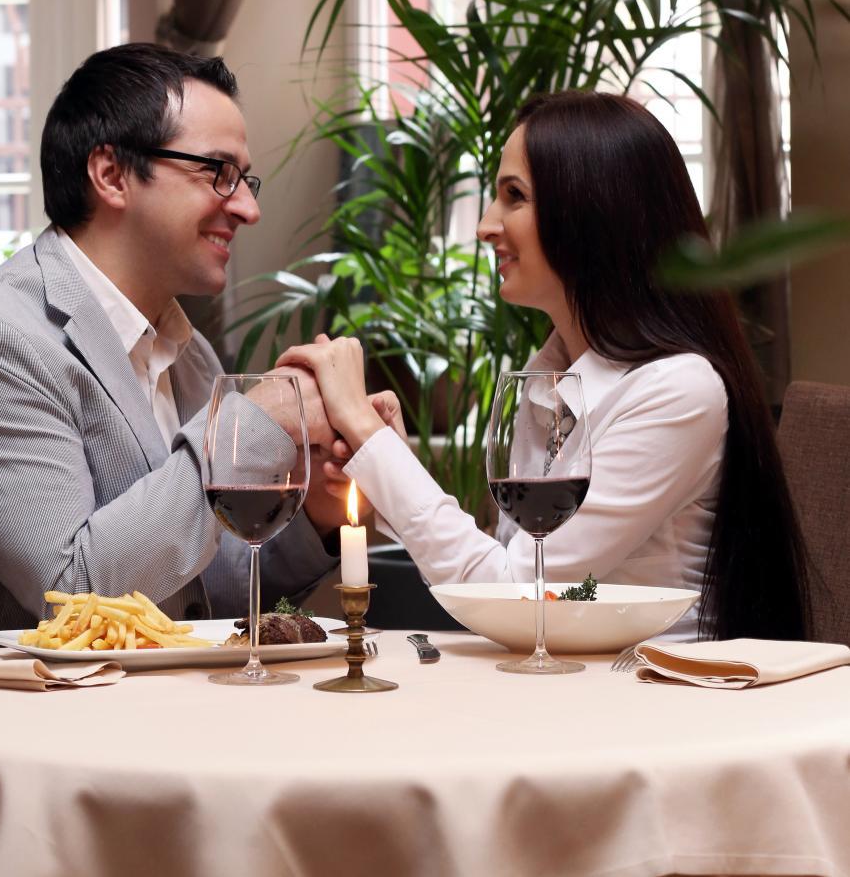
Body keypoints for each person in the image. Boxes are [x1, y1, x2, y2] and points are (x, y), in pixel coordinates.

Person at [279, 91, 810, 642]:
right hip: (566, 680)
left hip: (652, 698)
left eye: (514, 196)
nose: (486, 226)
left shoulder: (678, 389)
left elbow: (517, 594)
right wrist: (382, 459)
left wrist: (368, 437)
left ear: (591, 211)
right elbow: (512, 562)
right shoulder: (548, 379)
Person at [0, 44, 343, 655]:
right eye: (218, 173)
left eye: (245, 179)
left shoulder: (188, 351)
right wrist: (254, 423)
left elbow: (194, 599)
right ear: (111, 175)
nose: (249, 208)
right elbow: (75, 601)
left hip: (129, 717)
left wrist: (319, 512)